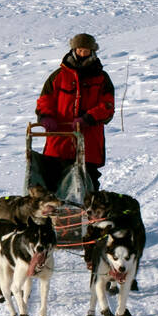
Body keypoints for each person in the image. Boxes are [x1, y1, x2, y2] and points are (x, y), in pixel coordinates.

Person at [33, 33, 115, 195]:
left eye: (86, 50)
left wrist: (88, 118)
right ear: (73, 50)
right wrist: (46, 116)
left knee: (87, 182)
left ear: (92, 52)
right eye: (79, 50)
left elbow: (107, 106)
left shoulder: (101, 78)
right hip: (59, 138)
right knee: (52, 179)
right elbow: (45, 99)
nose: (82, 53)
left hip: (88, 139)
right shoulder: (58, 76)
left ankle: (88, 215)